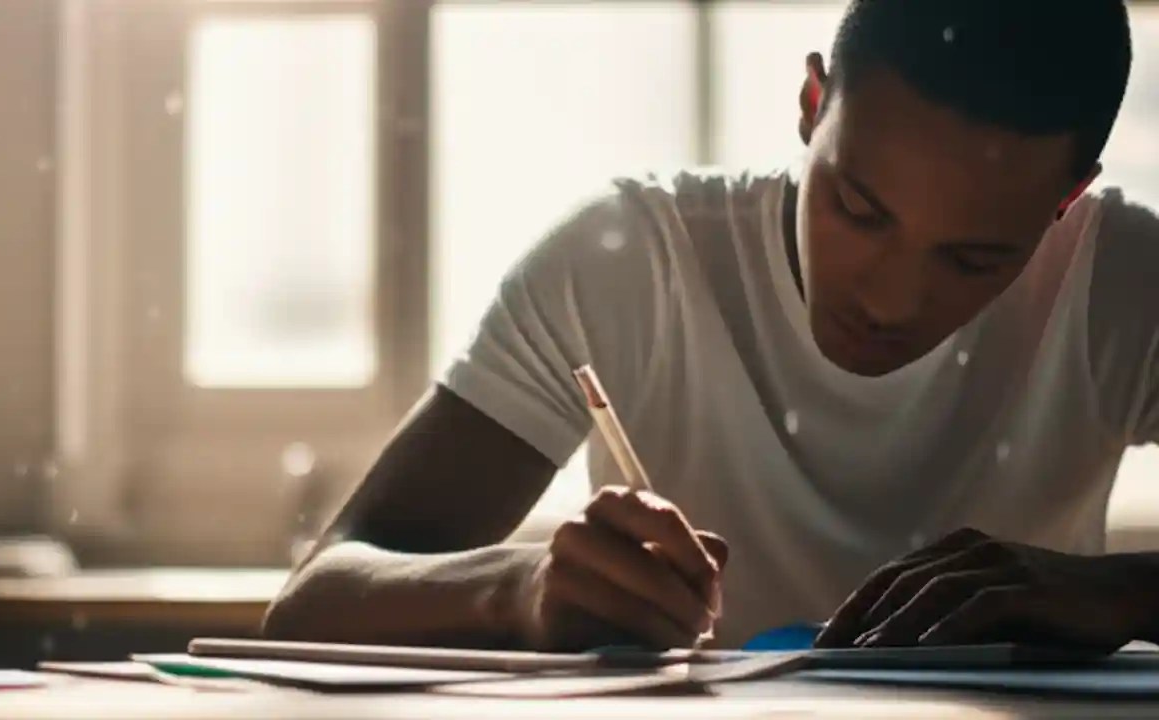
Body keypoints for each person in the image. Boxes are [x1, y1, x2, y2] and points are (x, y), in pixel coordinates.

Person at [265, 0, 1159, 652]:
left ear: (1066, 200)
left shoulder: (1121, 281)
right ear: (813, 104)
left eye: (973, 259)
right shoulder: (630, 263)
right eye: (858, 208)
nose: (890, 300)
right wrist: (517, 586)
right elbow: (315, 601)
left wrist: (1127, 590)